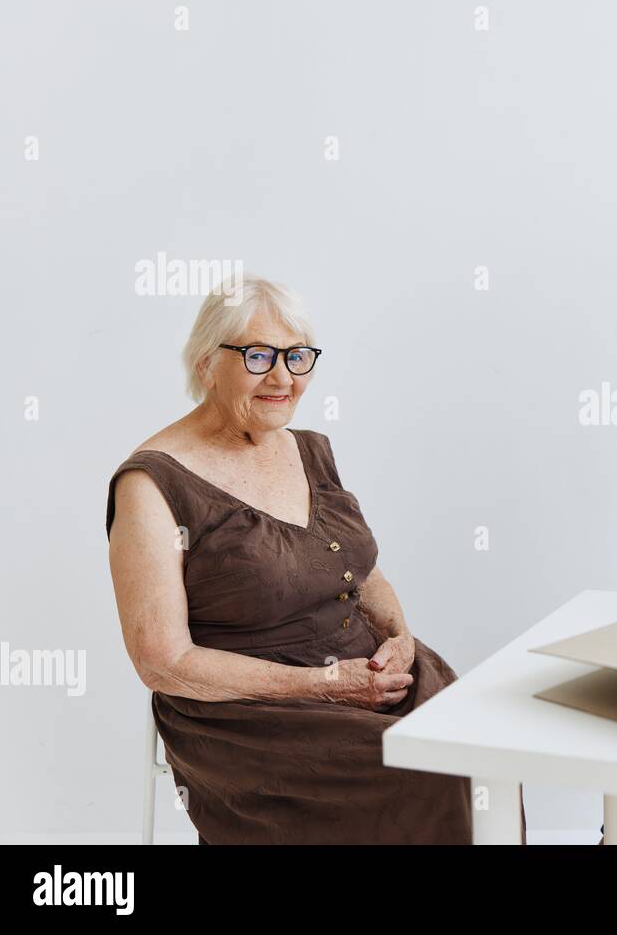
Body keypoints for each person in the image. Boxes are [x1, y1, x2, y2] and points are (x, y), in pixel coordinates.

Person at [106, 276, 496, 844]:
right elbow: (163, 663)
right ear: (207, 361)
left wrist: (401, 636)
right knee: (422, 778)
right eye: (259, 355)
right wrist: (324, 685)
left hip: (366, 677)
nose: (283, 377)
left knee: (487, 747)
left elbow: (365, 574)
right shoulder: (151, 485)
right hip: (247, 713)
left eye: (297, 356)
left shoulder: (310, 449)